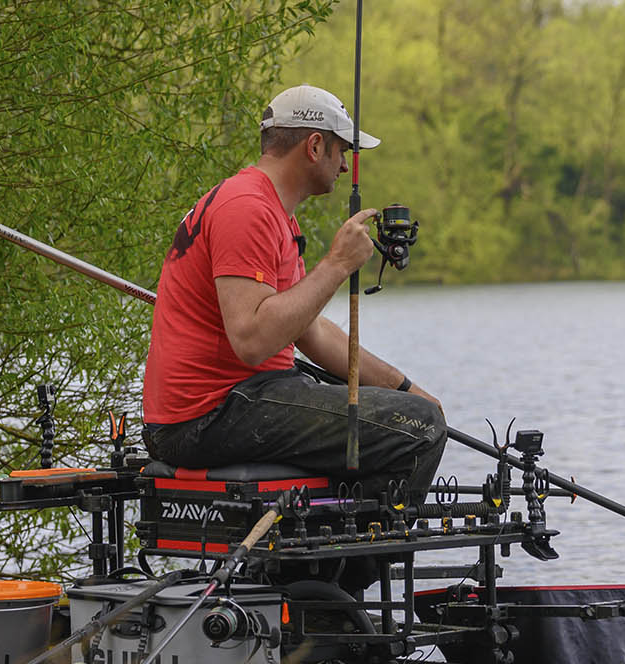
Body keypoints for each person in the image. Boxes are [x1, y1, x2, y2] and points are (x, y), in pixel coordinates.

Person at [142, 84, 446, 523]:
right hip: (206, 415)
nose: (345, 165)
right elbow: (251, 341)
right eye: (342, 151)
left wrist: (405, 389)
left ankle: (334, 549)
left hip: (238, 401)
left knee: (419, 414)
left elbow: (310, 330)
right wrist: (338, 264)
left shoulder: (272, 211)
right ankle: (353, 561)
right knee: (421, 429)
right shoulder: (246, 208)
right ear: (315, 146)